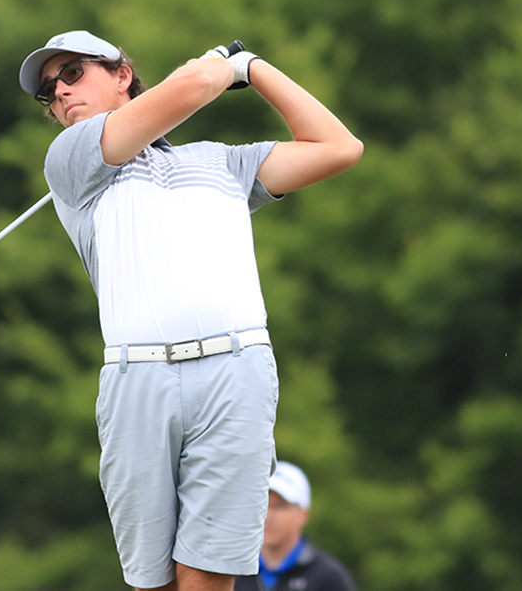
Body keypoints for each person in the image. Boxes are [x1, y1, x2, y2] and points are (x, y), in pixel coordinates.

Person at [18, 30, 363, 591]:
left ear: (122, 74)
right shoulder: (71, 162)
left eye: (73, 74)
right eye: (49, 92)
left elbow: (339, 148)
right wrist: (217, 68)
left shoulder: (223, 164)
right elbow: (199, 84)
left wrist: (254, 68)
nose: (60, 94)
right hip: (139, 377)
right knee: (155, 582)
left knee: (206, 578)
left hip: (237, 372)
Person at [234, 461, 358, 591]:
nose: (268, 515)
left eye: (280, 507)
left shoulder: (329, 577)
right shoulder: (235, 570)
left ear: (303, 515)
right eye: (263, 505)